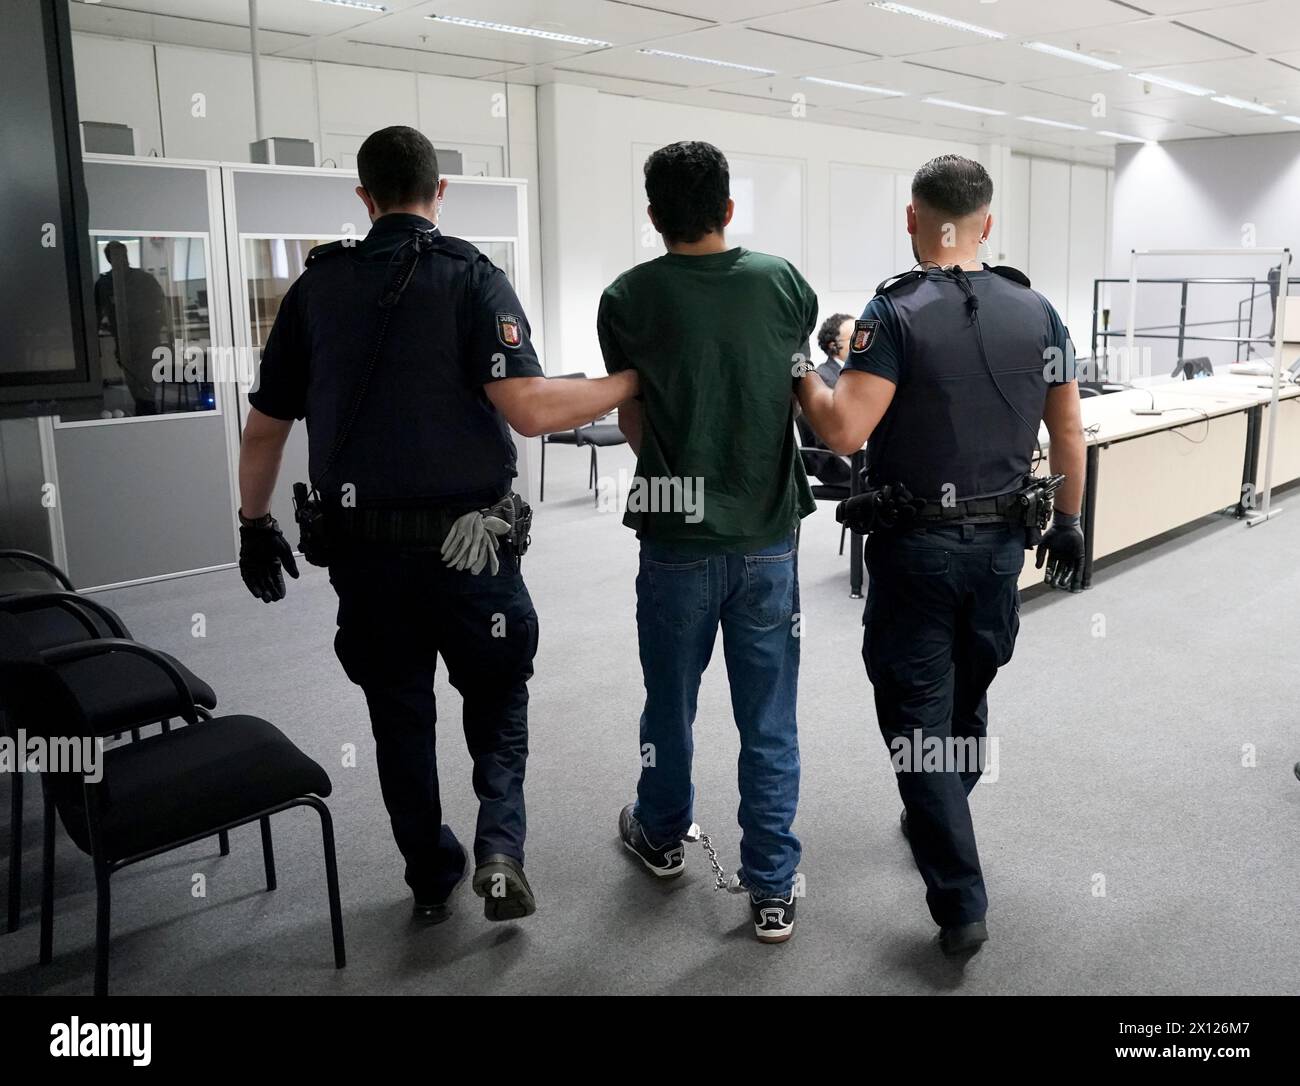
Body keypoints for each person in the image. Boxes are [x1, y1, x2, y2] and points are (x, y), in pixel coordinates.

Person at [236, 126, 638, 927]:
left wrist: (253, 523)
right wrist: (627, 380)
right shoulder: (471, 277)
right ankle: (499, 849)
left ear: (365, 197)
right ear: (439, 192)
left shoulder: (316, 291)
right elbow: (527, 412)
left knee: (398, 713)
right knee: (495, 697)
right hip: (471, 550)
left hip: (365, 556)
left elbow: (264, 430)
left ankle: (428, 873)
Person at [796, 154, 1087, 957]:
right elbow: (1067, 430)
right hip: (1003, 549)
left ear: (912, 218)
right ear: (986, 224)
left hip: (919, 550)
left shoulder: (892, 314)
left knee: (918, 718)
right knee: (966, 689)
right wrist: (1070, 522)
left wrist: (798, 373)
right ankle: (942, 801)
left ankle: (960, 903)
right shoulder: (1039, 310)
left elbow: (844, 431)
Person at [598, 141, 817, 944]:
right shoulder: (783, 283)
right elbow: (795, 390)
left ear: (654, 216)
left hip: (675, 541)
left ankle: (660, 835)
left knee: (671, 705)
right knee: (769, 717)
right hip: (768, 539)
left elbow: (633, 416)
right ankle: (770, 889)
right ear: (729, 210)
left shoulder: (626, 297)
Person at [94, 240, 170, 416]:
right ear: (109, 260)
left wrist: (162, 328)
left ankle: (147, 415)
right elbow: (95, 314)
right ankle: (144, 414)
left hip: (147, 339)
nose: (121, 260)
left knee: (146, 385)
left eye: (123, 256)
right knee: (134, 383)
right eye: (116, 257)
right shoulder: (105, 284)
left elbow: (163, 306)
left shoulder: (144, 279)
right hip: (124, 341)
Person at [796, 313, 854, 486]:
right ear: (833, 346)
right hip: (839, 463)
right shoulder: (823, 378)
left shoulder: (851, 376)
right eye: (855, 338)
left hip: (850, 455)